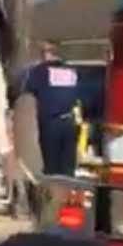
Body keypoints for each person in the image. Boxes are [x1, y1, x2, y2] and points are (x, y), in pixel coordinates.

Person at [21, 40, 80, 177]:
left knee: (51, 168)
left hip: (51, 123)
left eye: (43, 53)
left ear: (47, 54)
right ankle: (67, 194)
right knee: (68, 168)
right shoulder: (70, 71)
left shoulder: (40, 71)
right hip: (69, 122)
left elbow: (28, 88)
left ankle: (54, 194)